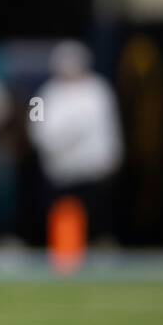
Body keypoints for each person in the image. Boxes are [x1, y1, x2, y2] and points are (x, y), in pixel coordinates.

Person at [27, 41, 124, 242]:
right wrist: (66, 137)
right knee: (63, 219)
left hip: (94, 171)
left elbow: (109, 127)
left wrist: (113, 155)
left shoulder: (99, 90)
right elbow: (37, 131)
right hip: (61, 172)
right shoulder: (44, 94)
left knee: (97, 219)